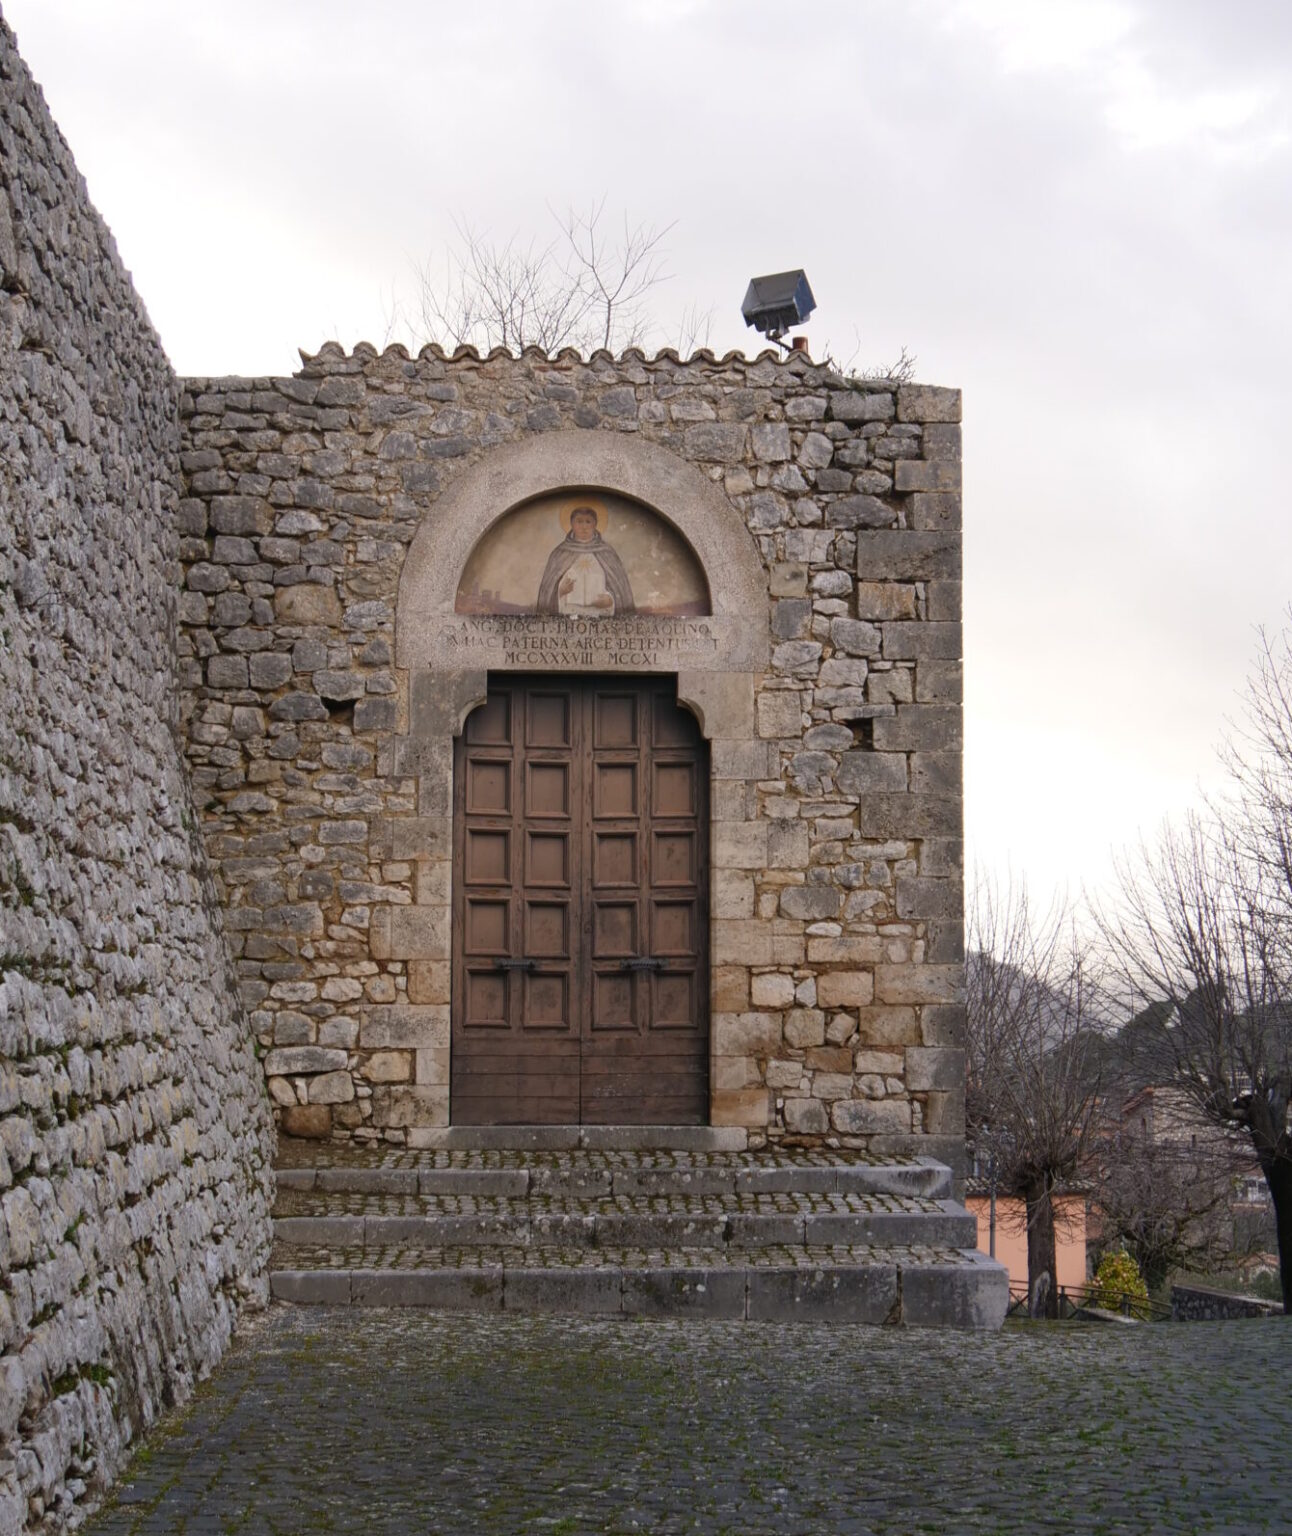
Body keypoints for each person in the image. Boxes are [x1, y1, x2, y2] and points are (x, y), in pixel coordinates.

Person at [535, 505, 635, 616]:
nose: (584, 527)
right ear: (571, 524)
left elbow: (620, 590)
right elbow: (547, 591)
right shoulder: (559, 554)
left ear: (595, 524)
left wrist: (610, 600)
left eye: (588, 522)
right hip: (566, 618)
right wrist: (560, 591)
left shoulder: (607, 553)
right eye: (579, 521)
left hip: (602, 619)